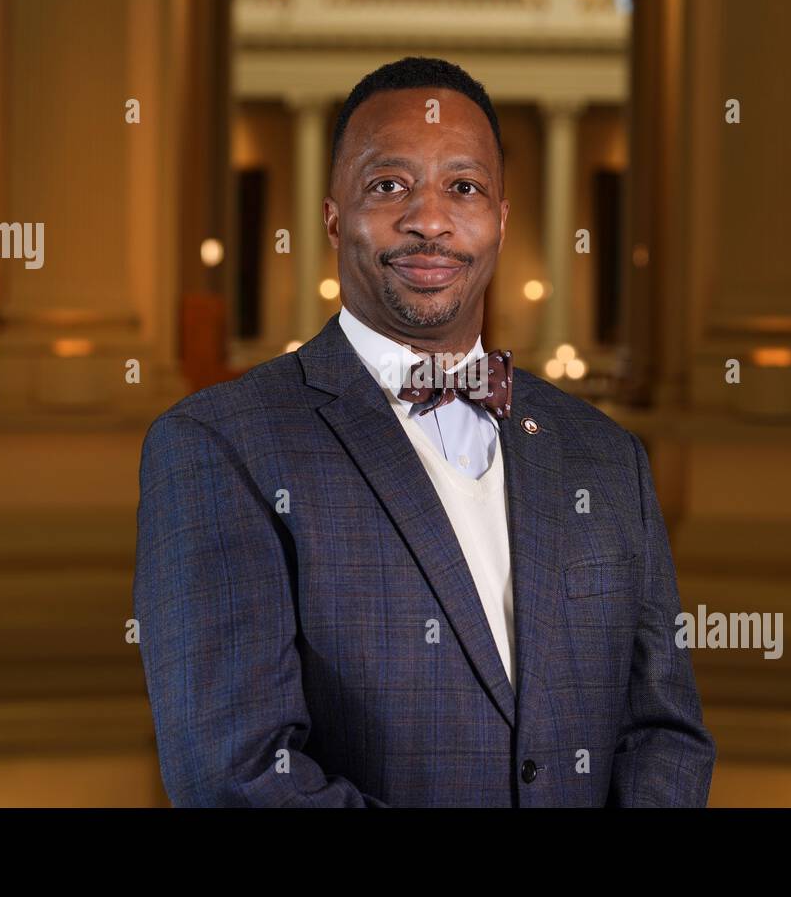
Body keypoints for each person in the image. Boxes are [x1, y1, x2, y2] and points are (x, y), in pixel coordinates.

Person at [133, 56, 715, 807]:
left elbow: (665, 733)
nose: (430, 220)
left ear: (500, 220)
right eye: (389, 186)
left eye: (463, 188)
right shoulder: (220, 447)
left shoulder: (607, 456)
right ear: (335, 215)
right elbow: (237, 775)